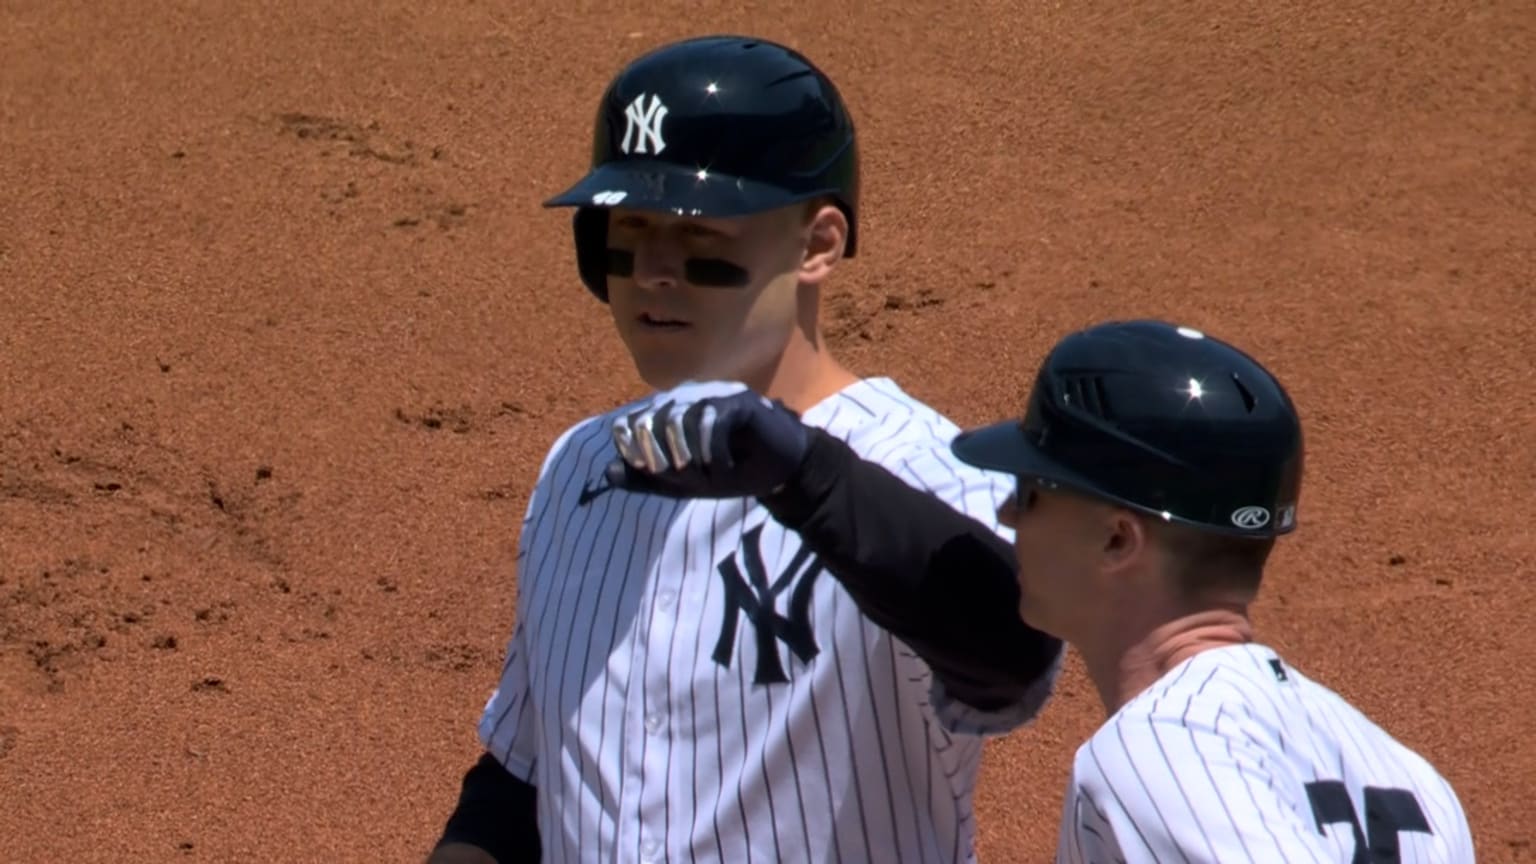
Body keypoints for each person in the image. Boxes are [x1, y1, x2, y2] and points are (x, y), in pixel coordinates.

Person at [427, 34, 1064, 864]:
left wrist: (807, 478)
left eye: (696, 232)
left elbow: (1011, 659)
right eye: (632, 225)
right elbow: (522, 779)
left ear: (817, 243)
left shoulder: (923, 465)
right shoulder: (580, 468)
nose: (654, 270)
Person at [944, 318, 1476, 862]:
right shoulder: (1414, 783)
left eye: (1032, 492)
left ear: (1117, 539)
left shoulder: (1159, 747)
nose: (1008, 513)